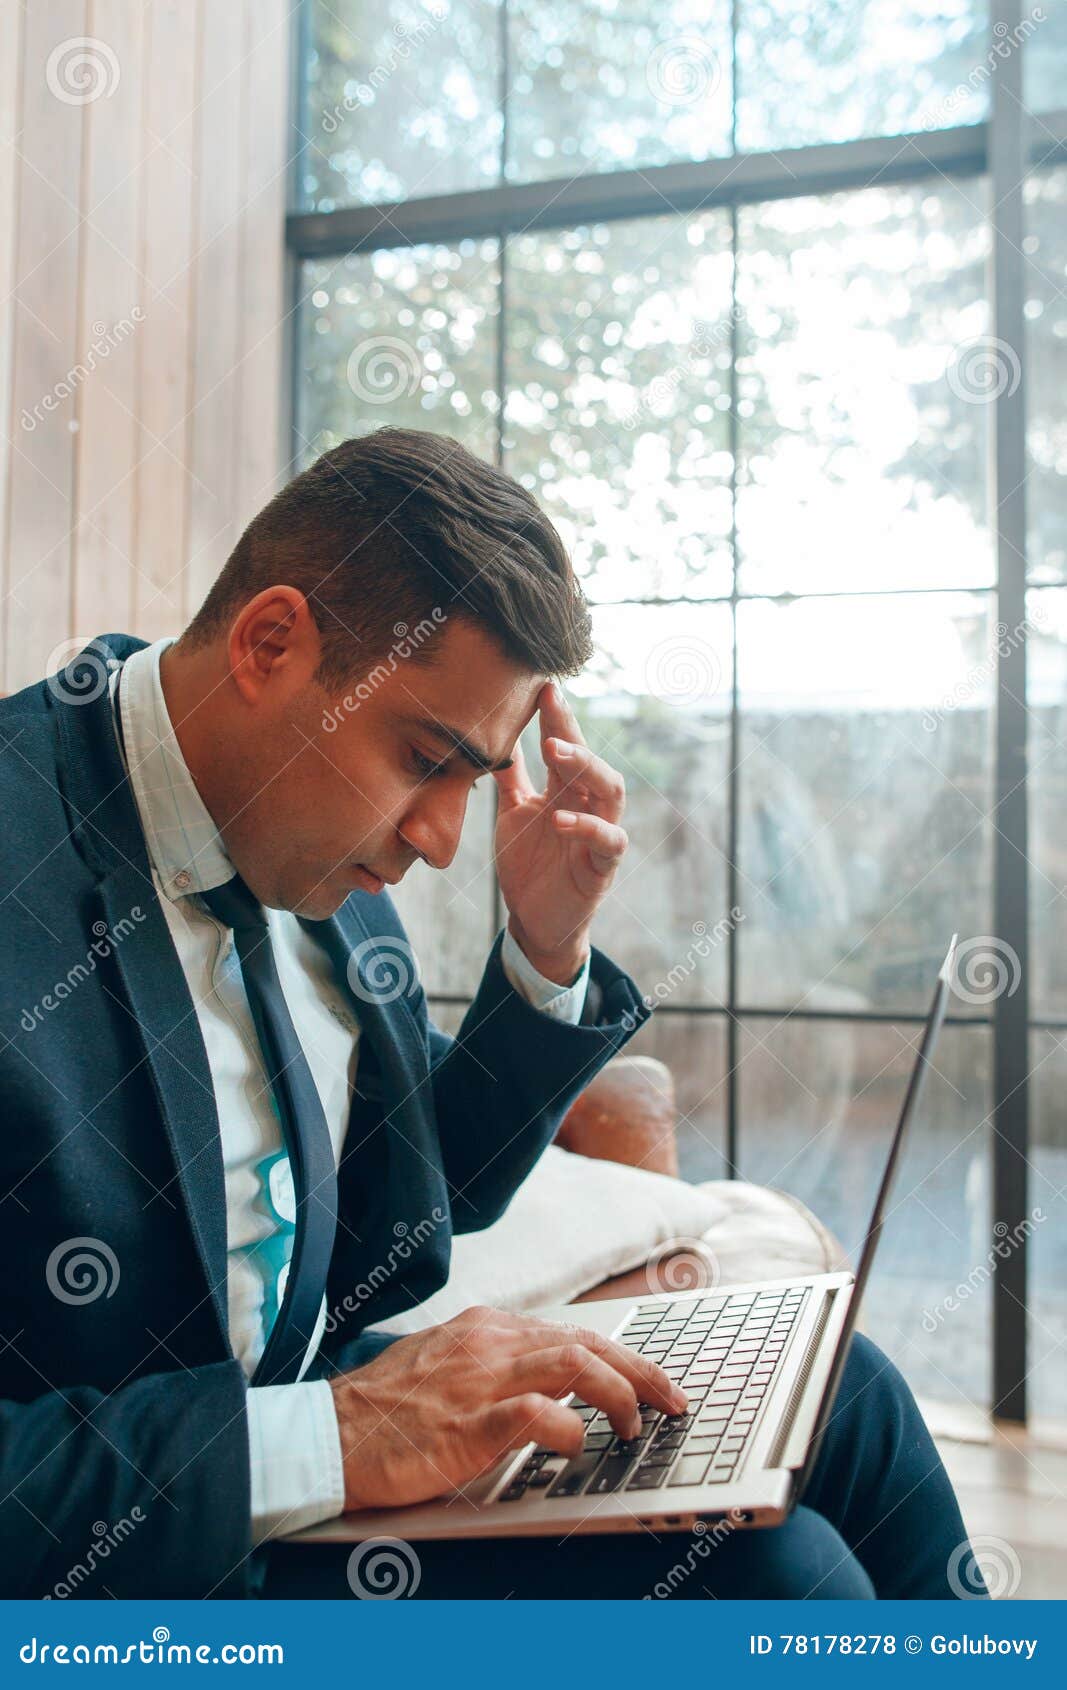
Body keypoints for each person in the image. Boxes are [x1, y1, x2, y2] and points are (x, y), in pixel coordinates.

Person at [0, 429, 983, 1600]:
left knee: (846, 1393)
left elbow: (416, 1196)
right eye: (425, 758)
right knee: (778, 1576)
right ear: (270, 643)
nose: (440, 839)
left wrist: (544, 949)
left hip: (311, 1441)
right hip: (144, 1558)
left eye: (476, 776)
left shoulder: (316, 858)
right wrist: (342, 1432)